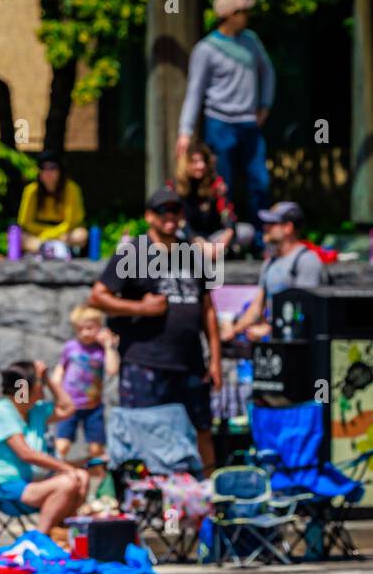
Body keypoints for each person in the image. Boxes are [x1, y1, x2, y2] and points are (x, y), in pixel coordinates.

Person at [89, 187, 223, 471]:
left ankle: (208, 499)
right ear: (150, 216)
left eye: (176, 210)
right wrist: (141, 308)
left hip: (190, 362)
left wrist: (216, 360)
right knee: (144, 430)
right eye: (163, 211)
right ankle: (148, 500)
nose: (171, 217)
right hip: (145, 361)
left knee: (202, 428)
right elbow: (98, 297)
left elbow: (208, 308)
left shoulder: (193, 254)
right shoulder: (134, 251)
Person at [176, 0, 274, 232]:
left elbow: (268, 72)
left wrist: (265, 105)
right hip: (219, 123)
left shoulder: (251, 40)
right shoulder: (206, 49)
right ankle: (223, 236)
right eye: (243, 11)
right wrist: (185, 131)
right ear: (229, 15)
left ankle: (263, 239)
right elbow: (195, 91)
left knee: (260, 181)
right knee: (222, 183)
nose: (247, 16)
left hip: (249, 123)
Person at [0, 360, 89, 534]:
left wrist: (48, 379)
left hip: (31, 482)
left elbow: (68, 408)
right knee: (68, 481)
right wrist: (65, 467)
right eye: (39, 382)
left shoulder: (34, 411)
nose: (42, 386)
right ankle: (40, 538)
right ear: (24, 389)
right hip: (5, 487)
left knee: (82, 476)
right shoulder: (2, 411)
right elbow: (25, 453)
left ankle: (64, 534)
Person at [222, 201, 326, 342]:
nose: (265, 227)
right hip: (275, 342)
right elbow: (257, 308)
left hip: (298, 347)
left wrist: (268, 330)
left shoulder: (306, 261)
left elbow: (305, 313)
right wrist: (233, 330)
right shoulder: (270, 262)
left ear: (288, 227)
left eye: (272, 223)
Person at [51, 305, 120, 465]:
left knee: (96, 449)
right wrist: (56, 391)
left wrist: (109, 346)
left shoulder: (102, 350)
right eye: (80, 329)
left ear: (99, 327)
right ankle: (56, 472)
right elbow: (61, 368)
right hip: (69, 406)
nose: (85, 333)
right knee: (62, 445)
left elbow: (112, 370)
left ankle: (97, 481)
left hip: (93, 407)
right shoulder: (70, 347)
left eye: (90, 328)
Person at [171, 140, 254, 258]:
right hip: (190, 238)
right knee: (175, 233)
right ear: (186, 164)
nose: (201, 166)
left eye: (203, 161)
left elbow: (228, 215)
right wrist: (199, 242)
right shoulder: (176, 187)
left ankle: (216, 253)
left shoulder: (216, 184)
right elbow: (180, 221)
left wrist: (222, 242)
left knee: (247, 231)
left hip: (213, 238)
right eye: (194, 162)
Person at [16, 150, 87, 256]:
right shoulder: (31, 191)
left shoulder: (72, 189)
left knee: (81, 235)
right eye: (44, 168)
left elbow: (70, 223)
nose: (48, 172)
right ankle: (53, 249)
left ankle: (47, 249)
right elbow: (25, 222)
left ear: (60, 171)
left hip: (64, 235)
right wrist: (46, 235)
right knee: (18, 236)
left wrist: (50, 235)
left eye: (53, 168)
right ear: (39, 172)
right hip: (39, 236)